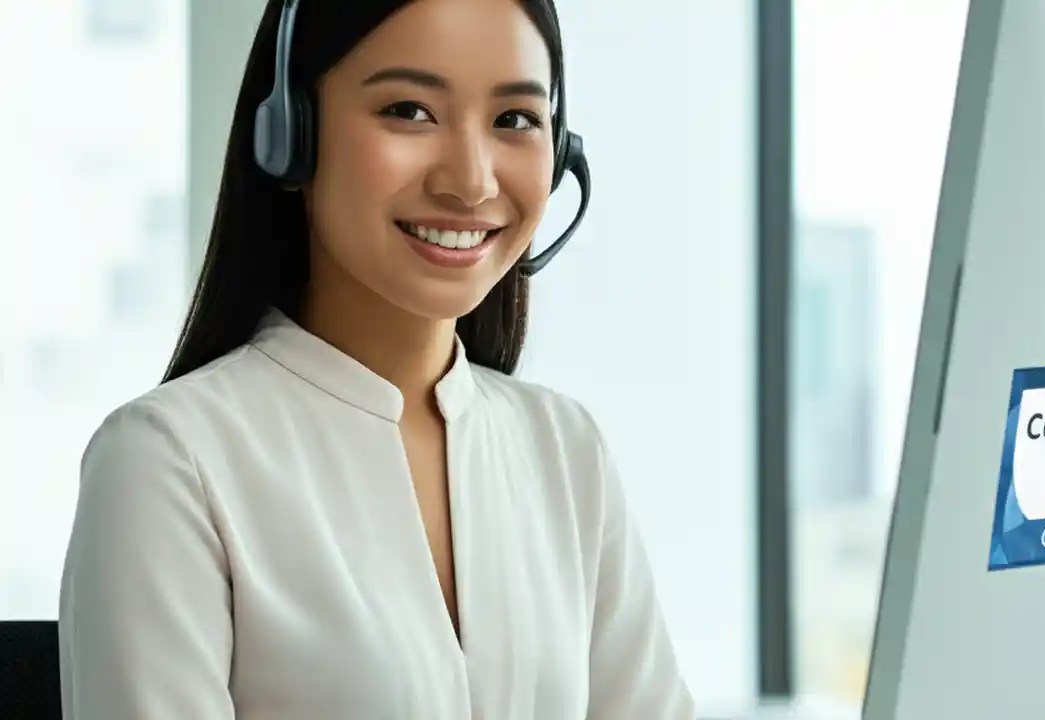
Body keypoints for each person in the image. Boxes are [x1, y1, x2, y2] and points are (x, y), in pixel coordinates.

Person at [56, 0, 695, 717]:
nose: (472, 181)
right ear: (290, 134)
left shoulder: (566, 449)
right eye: (409, 111)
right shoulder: (168, 461)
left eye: (514, 119)